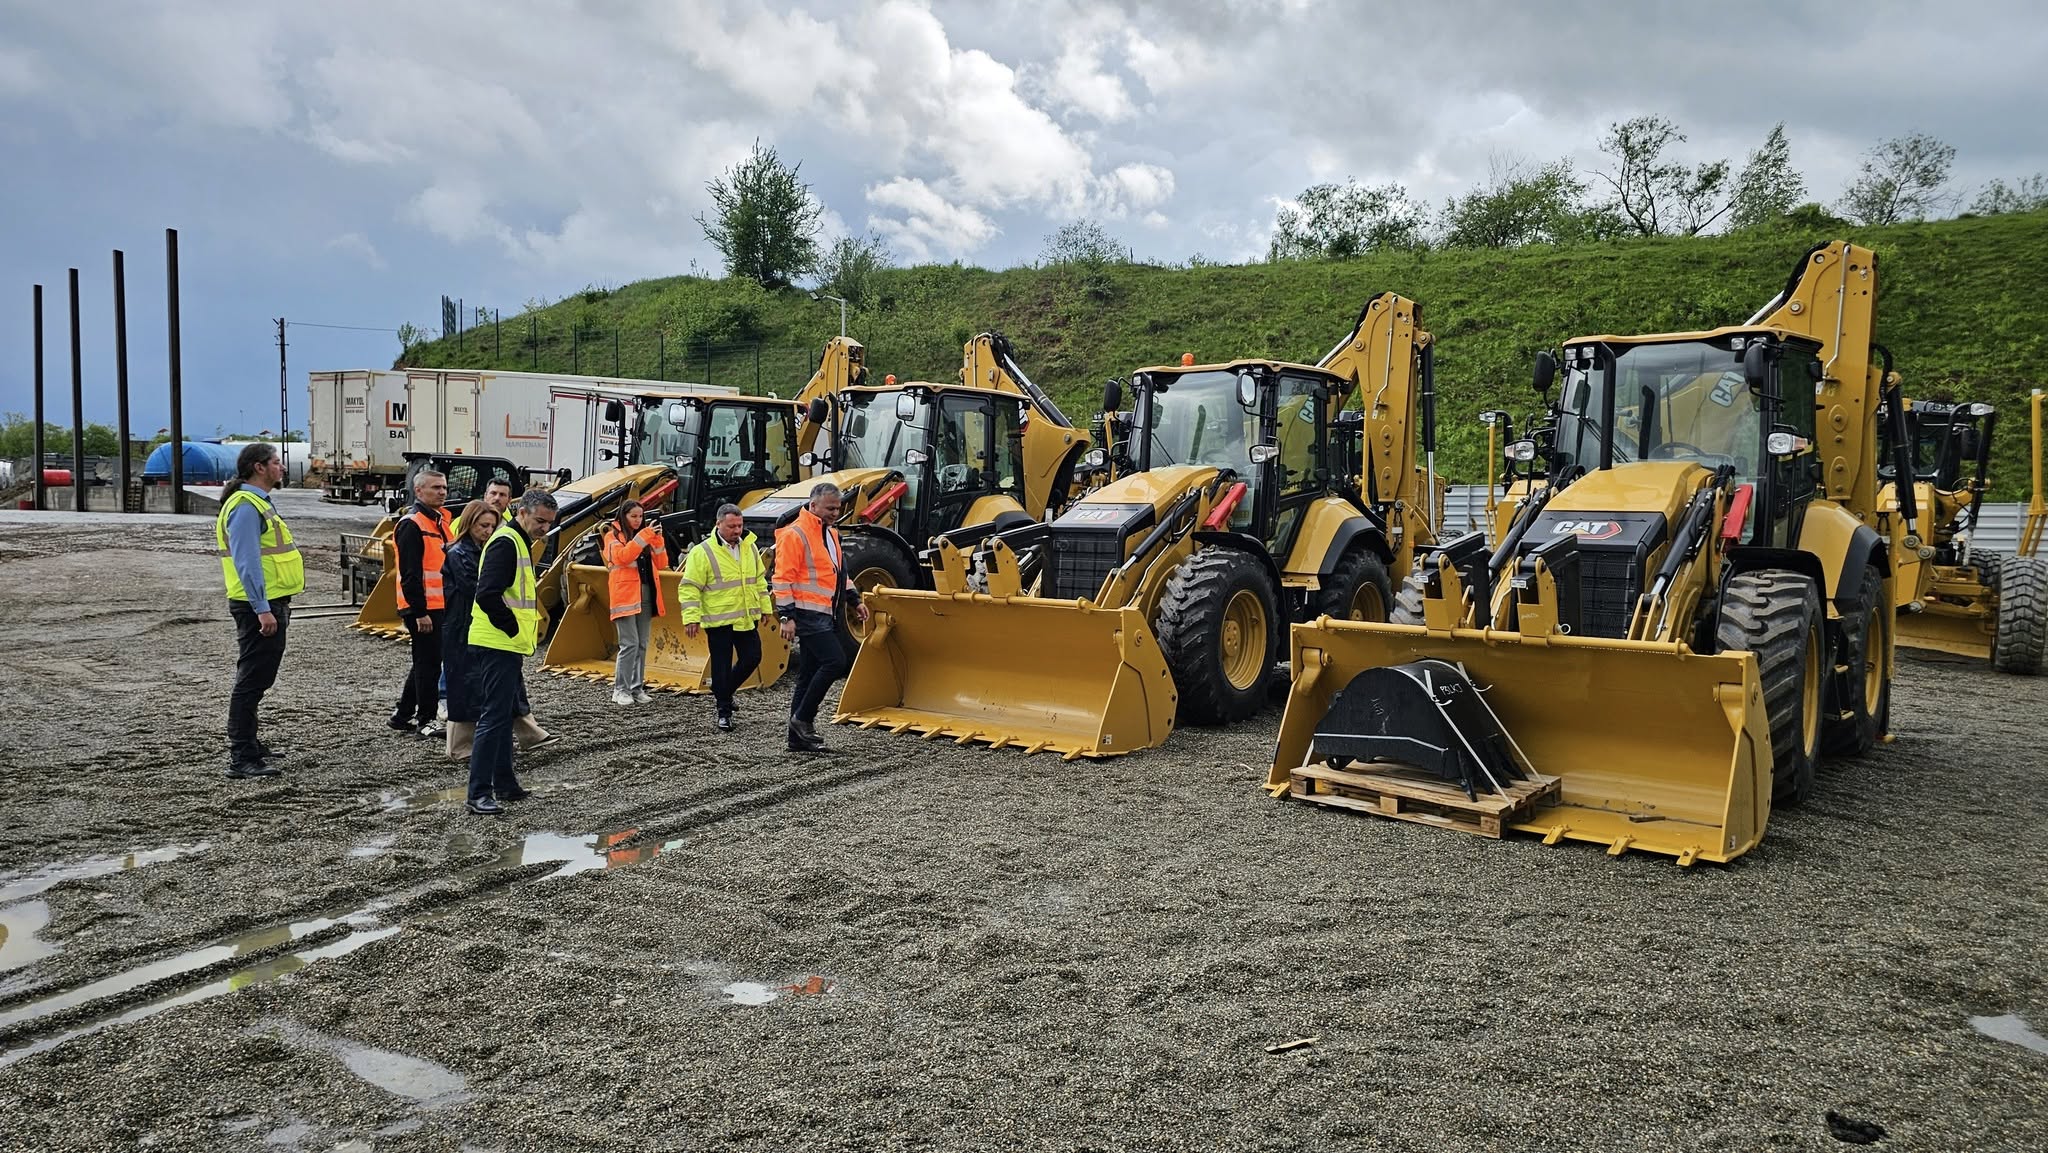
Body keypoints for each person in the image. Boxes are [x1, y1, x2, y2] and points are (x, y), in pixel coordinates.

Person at [467, 488, 558, 815]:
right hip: (496, 642)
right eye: (540, 521)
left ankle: (504, 784)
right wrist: (511, 627)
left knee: (503, 714)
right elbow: (487, 594)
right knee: (493, 716)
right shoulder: (507, 543)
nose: (544, 528)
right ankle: (479, 792)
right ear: (522, 512)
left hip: (503, 642)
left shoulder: (516, 541)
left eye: (549, 523)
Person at [217, 444, 304, 780]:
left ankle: (250, 744)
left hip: (269, 603)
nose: (281, 467)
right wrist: (262, 609)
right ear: (259, 467)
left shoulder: (255, 502)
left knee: (259, 679)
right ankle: (242, 757)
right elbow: (247, 562)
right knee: (251, 681)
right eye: (276, 463)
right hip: (260, 606)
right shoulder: (244, 506)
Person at [773, 481, 867, 752]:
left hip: (826, 612)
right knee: (835, 661)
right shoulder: (796, 534)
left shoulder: (831, 534)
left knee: (809, 672)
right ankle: (803, 719)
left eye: (837, 508)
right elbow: (781, 578)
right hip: (807, 613)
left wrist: (854, 600)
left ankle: (797, 738)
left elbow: (838, 573)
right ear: (812, 505)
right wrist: (786, 616)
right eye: (829, 508)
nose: (834, 513)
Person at [680, 503, 774, 731]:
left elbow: (759, 580)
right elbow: (690, 587)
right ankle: (723, 710)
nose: (737, 530)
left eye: (740, 525)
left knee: (752, 657)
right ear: (718, 524)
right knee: (720, 666)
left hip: (745, 617)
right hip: (718, 619)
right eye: (731, 526)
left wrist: (765, 608)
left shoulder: (750, 548)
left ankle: (723, 691)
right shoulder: (702, 552)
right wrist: (690, 617)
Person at [388, 469, 454, 739]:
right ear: (419, 491)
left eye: (444, 487)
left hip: (436, 605)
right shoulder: (413, 524)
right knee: (428, 664)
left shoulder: (438, 521)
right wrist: (419, 612)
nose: (442, 492)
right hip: (424, 607)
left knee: (425, 661)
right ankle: (425, 719)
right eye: (436, 487)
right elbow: (410, 573)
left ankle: (403, 714)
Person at [440, 499, 499, 760]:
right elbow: (472, 588)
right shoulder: (459, 553)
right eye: (483, 525)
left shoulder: (474, 550)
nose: (487, 530)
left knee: (473, 684)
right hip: (460, 625)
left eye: (491, 526)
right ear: (470, 523)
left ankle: (468, 744)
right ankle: (459, 747)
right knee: (463, 685)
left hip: (468, 623)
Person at [600, 499, 668, 706]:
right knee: (629, 644)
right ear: (624, 516)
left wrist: (657, 539)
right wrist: (646, 535)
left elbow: (662, 563)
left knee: (641, 644)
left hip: (646, 593)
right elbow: (622, 557)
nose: (638, 520)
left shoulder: (644, 536)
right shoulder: (612, 536)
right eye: (633, 516)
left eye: (640, 516)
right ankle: (620, 689)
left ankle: (636, 688)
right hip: (625, 595)